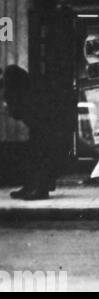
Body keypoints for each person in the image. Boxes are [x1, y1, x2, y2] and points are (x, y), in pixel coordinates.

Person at [1, 64, 63, 200]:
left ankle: (41, 189)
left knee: (41, 152)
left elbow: (17, 107)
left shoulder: (14, 81)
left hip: (45, 120)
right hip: (41, 120)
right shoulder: (15, 80)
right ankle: (32, 186)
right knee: (34, 152)